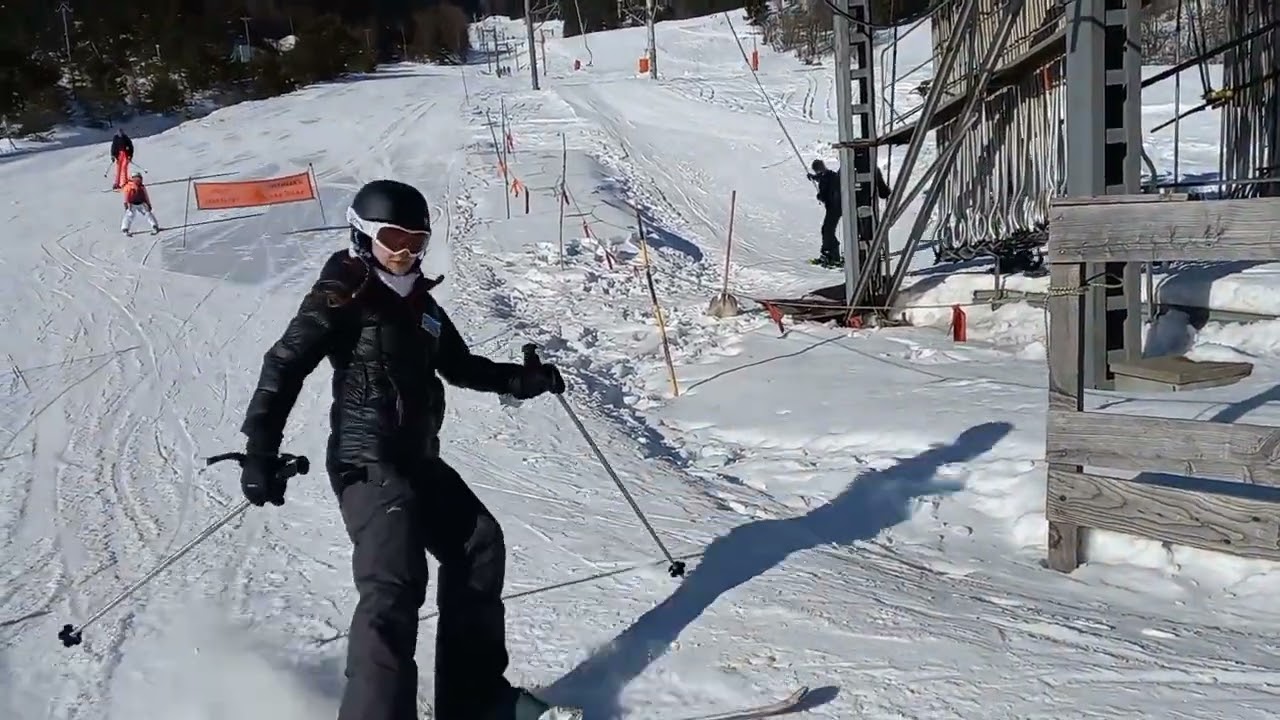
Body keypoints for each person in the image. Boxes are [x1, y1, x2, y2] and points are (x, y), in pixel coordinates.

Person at [236, 179, 580, 720]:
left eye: (416, 241)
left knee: (479, 543)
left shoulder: (422, 304)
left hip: (417, 460)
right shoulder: (341, 294)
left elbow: (461, 366)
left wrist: (520, 380)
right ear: (363, 235)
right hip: (366, 464)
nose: (405, 251)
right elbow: (284, 364)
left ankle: (474, 698)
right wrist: (261, 448)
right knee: (395, 580)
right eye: (393, 238)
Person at [806, 158, 891, 268]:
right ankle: (869, 253)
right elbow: (884, 193)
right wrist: (815, 178)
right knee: (863, 229)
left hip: (839, 206)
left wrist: (821, 195)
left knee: (828, 229)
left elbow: (831, 183)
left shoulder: (844, 168)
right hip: (860, 207)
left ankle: (832, 254)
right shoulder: (871, 169)